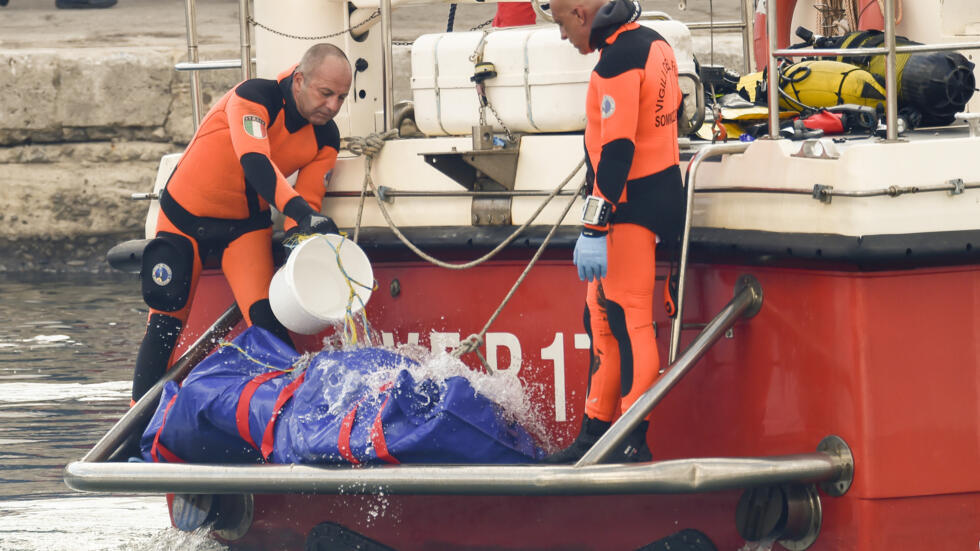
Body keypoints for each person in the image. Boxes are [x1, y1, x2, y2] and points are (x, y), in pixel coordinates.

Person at [130, 43, 350, 403]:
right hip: (184, 219)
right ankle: (137, 420)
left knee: (267, 321)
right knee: (165, 324)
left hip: (244, 229)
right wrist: (304, 214)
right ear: (299, 80)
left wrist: (302, 245)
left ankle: (290, 409)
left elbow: (307, 204)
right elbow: (256, 164)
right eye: (325, 93)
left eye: (341, 97)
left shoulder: (326, 137)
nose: (333, 106)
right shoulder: (254, 97)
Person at [544, 0, 685, 463]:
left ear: (581, 14)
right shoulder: (655, 42)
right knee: (601, 319)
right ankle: (595, 435)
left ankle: (630, 440)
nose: (562, 35)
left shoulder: (618, 60)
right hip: (653, 196)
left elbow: (618, 148)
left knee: (628, 319)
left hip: (629, 206)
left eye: (561, 23)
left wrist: (594, 225)